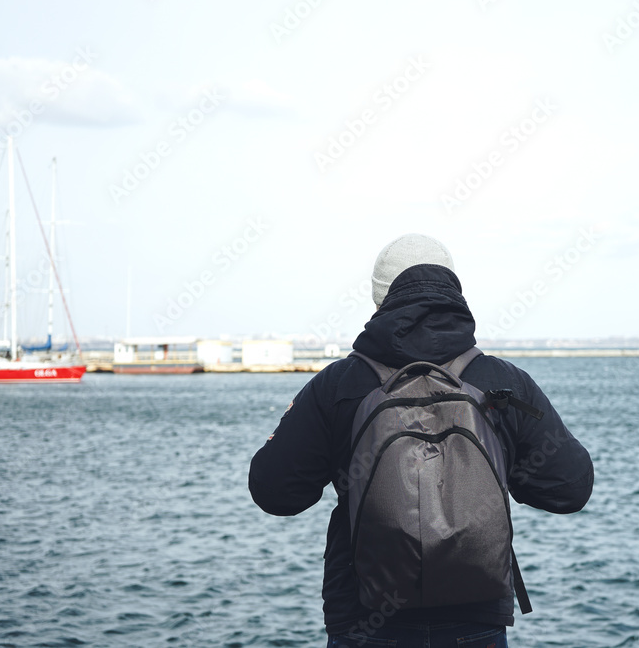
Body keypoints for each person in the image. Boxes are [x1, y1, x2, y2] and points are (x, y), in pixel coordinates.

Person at [249, 234, 594, 647]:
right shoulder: (501, 381)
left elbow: (276, 493)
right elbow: (570, 489)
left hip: (366, 619)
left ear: (379, 300)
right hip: (475, 620)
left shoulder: (338, 384)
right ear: (455, 293)